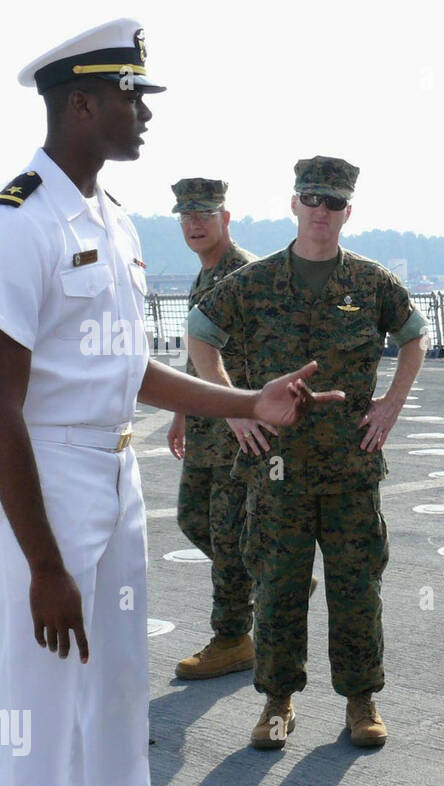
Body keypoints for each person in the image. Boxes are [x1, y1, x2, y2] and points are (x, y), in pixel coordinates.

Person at [0, 19, 340, 786]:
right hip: (38, 478)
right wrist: (43, 563)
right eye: (131, 97)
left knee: (119, 691)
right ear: (80, 103)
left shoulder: (115, 221)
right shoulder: (14, 221)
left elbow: (125, 369)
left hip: (109, 471)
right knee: (41, 716)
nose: (143, 113)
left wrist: (248, 399)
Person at [188, 156, 428, 750]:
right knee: (276, 590)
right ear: (294, 204)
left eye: (334, 202)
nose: (322, 211)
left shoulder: (371, 282)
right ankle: (277, 703)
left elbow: (415, 334)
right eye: (312, 199)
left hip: (351, 467)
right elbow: (200, 334)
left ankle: (360, 701)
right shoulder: (254, 281)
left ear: (348, 212)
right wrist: (235, 406)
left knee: (356, 588)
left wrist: (392, 404)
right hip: (277, 472)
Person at [165, 178, 260, 680]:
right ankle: (264, 574)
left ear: (226, 218)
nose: (195, 223)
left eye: (205, 213)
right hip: (206, 426)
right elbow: (197, 351)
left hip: (237, 431)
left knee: (226, 537)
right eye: (186, 215)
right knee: (191, 519)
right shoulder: (204, 276)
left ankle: (231, 639)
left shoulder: (245, 273)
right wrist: (180, 409)